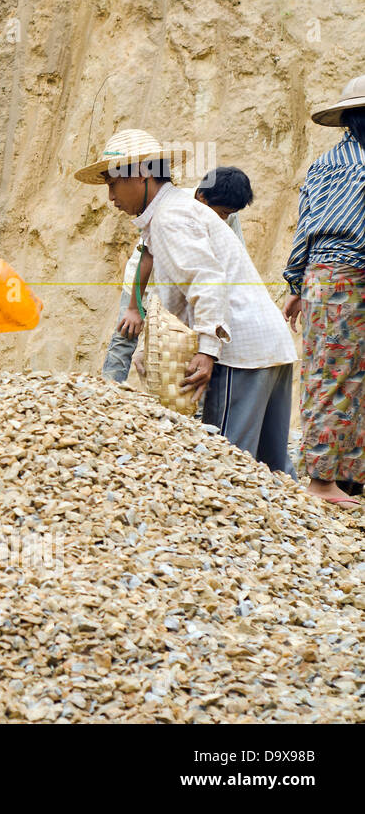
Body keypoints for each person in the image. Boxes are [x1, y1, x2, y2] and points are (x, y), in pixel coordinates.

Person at [77, 130, 297, 473]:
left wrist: (207, 351)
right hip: (269, 348)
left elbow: (205, 281)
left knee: (228, 470)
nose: (110, 197)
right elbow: (182, 297)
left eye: (112, 184)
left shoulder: (170, 217)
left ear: (140, 174)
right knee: (274, 473)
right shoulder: (176, 211)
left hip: (240, 357)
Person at [282, 75, 365, 508]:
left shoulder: (325, 162)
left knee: (329, 370)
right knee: (342, 376)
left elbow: (305, 228)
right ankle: (321, 480)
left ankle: (345, 476)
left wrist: (296, 284)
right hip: (352, 276)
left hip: (320, 276)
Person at [102, 166, 253, 383]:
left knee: (177, 348)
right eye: (221, 213)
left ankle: (173, 409)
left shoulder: (227, 216)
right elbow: (147, 258)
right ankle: (108, 391)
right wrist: (134, 308)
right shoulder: (175, 207)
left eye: (227, 215)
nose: (222, 220)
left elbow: (231, 258)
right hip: (143, 281)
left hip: (179, 289)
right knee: (124, 337)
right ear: (201, 198)